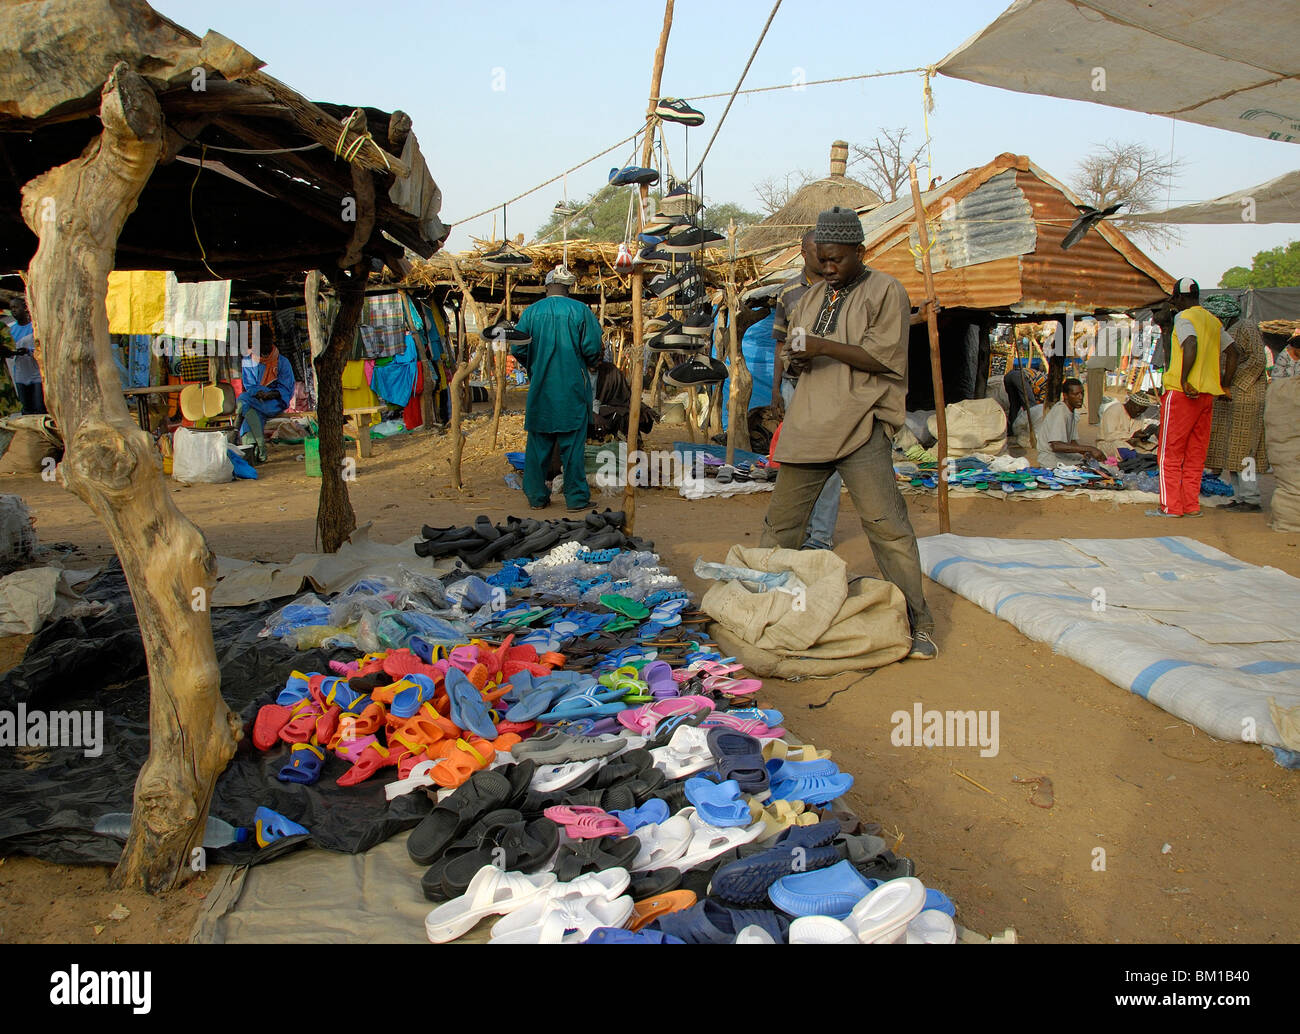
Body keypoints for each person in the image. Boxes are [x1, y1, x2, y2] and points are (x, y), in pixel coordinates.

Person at [761, 206, 937, 660]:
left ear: (860, 251)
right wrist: (798, 359)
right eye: (821, 259)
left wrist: (820, 346)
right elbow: (797, 359)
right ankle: (761, 610)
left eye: (836, 258)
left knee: (887, 528)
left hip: (860, 424)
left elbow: (885, 359)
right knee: (781, 526)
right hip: (809, 424)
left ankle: (916, 622)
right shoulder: (810, 297)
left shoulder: (885, 291)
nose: (827, 267)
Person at [512, 266, 602, 512]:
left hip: (541, 389)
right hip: (572, 389)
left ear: (546, 287)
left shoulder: (531, 313)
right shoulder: (580, 311)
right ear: (568, 288)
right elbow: (593, 348)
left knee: (537, 448)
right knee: (572, 449)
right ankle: (576, 499)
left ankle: (536, 497)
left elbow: (517, 348)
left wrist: (536, 364)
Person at [772, 230, 841, 550]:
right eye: (818, 251)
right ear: (803, 252)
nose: (825, 256)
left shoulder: (842, 289)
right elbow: (781, 343)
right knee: (797, 462)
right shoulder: (788, 292)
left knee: (829, 461)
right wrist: (775, 389)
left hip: (830, 386)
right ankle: (800, 530)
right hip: (795, 386)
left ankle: (821, 538)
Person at [1149, 278, 1235, 519]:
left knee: (1169, 453)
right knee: (1195, 453)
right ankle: (1190, 505)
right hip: (1207, 396)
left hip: (1182, 393)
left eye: (1175, 298)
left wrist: (1186, 379)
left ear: (1180, 298)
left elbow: (1190, 343)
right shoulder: (1213, 321)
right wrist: (1225, 385)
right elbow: (1233, 352)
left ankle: (1170, 507)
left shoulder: (1184, 318)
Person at [1203, 294, 1268, 513]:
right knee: (1231, 450)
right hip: (1228, 396)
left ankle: (1251, 497)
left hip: (1246, 397)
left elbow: (1258, 360)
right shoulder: (1223, 331)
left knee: (1246, 451)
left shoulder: (1246, 327)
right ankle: (1240, 496)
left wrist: (1232, 384)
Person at [237, 338, 294, 463]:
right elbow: (249, 385)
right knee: (250, 413)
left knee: (242, 399)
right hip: (256, 401)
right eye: (260, 344)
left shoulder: (282, 362)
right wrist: (258, 393)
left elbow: (286, 389)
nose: (264, 347)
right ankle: (258, 451)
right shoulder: (248, 360)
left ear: (272, 342)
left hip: (274, 403)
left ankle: (237, 435)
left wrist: (270, 394)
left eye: (266, 343)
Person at [1036, 378, 1105, 468]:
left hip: (1060, 456)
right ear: (1066, 396)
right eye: (1076, 394)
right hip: (1050, 458)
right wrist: (1090, 449)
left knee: (1091, 462)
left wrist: (1087, 453)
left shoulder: (1072, 413)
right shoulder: (1061, 411)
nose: (1080, 397)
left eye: (1082, 393)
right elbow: (1056, 446)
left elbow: (1072, 442)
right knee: (1088, 467)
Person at [0, 298, 46, 415]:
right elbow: (9, 351)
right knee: (26, 411)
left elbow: (44, 349)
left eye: (16, 307)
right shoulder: (11, 329)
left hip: (37, 374)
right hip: (20, 375)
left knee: (40, 409)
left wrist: (29, 351)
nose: (13, 311)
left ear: (25, 307)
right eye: (11, 309)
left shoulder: (35, 327)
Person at [1096, 390, 1158, 457]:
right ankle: (1137, 459)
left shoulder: (1140, 415)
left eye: (1141, 412)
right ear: (1130, 403)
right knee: (1120, 445)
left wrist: (1143, 436)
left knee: (1154, 448)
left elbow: (1135, 436)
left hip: (1130, 444)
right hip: (1109, 444)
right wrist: (1132, 435)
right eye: (1138, 411)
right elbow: (1109, 436)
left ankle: (1141, 458)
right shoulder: (1114, 410)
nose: (1138, 414)